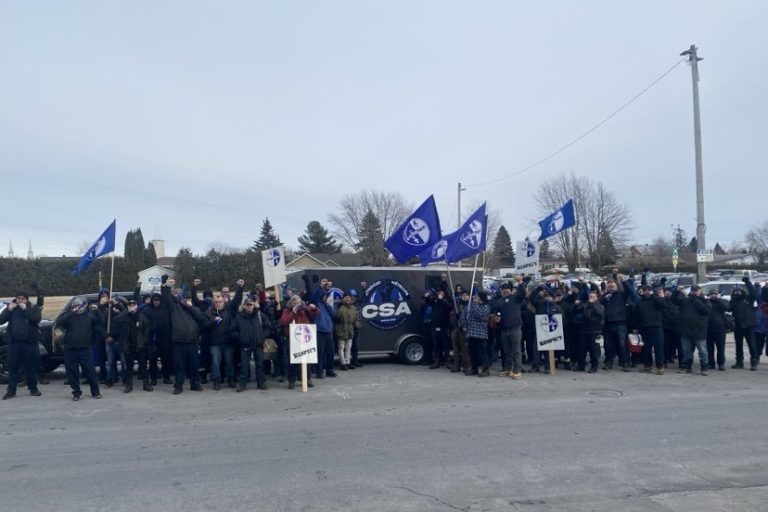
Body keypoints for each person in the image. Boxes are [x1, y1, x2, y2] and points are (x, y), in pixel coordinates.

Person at [162, 277, 208, 394]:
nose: (186, 300)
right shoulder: (175, 308)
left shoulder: (195, 309)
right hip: (178, 342)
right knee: (179, 366)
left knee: (194, 365)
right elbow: (167, 299)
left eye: (188, 298)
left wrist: (191, 307)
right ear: (180, 299)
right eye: (184, 298)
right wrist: (167, 287)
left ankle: (195, 383)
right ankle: (178, 385)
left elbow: (201, 318)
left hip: (192, 341)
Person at [55, 296, 104, 400]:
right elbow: (59, 322)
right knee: (72, 372)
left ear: (84, 307)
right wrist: (72, 313)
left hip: (85, 348)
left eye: (80, 306)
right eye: (75, 306)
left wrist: (97, 311)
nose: (78, 308)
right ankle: (76, 393)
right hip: (70, 349)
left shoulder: (89, 317)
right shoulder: (68, 317)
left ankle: (95, 392)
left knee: (90, 371)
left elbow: (101, 322)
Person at [202, 279, 244, 390]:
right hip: (214, 343)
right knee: (215, 363)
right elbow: (204, 326)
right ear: (213, 303)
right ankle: (216, 381)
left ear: (224, 302)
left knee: (229, 362)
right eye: (216, 302)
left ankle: (231, 379)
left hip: (228, 342)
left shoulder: (228, 310)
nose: (218, 303)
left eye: (220, 301)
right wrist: (213, 321)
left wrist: (240, 288)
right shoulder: (208, 313)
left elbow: (236, 300)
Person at [1, 291, 43, 400]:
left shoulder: (33, 307)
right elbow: (1, 320)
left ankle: (33, 388)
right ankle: (11, 391)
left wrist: (25, 309)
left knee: (30, 367)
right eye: (18, 298)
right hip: (14, 343)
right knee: (12, 367)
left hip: (29, 343)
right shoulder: (12, 308)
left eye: (22, 298)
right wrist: (8, 309)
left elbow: (36, 319)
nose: (20, 300)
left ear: (26, 299)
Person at [110, 299, 154, 392]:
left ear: (137, 306)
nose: (132, 306)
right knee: (129, 367)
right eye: (130, 305)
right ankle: (129, 385)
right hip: (128, 346)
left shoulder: (142, 317)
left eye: (133, 305)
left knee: (143, 366)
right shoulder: (125, 317)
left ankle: (146, 384)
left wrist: (145, 342)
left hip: (140, 346)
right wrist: (127, 311)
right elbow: (116, 320)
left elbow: (147, 331)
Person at [230, 297, 273, 392]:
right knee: (244, 365)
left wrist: (262, 336)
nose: (249, 307)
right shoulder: (238, 317)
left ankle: (261, 383)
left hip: (258, 344)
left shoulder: (260, 315)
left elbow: (269, 327)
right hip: (245, 345)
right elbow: (232, 331)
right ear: (244, 306)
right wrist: (241, 337)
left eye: (251, 304)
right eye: (247, 305)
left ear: (254, 305)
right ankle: (242, 384)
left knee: (260, 364)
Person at [279, 295, 318, 389]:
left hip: (305, 337)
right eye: (294, 303)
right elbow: (284, 322)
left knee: (306, 360)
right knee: (293, 361)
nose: (296, 305)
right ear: (291, 303)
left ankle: (307, 379)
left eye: (298, 303)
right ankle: (292, 381)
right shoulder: (287, 311)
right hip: (292, 338)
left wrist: (314, 308)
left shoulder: (304, 309)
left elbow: (315, 314)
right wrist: (293, 313)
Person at [599, 272, 635, 372]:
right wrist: (604, 297)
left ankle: (625, 362)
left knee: (622, 344)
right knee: (608, 345)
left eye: (612, 286)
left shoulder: (621, 295)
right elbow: (598, 303)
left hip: (620, 322)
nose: (611, 288)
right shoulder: (605, 296)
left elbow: (629, 290)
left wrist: (623, 280)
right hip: (608, 323)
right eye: (609, 286)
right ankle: (608, 362)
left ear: (616, 286)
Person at [672, 285, 711, 375]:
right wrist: (677, 291)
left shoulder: (705, 301)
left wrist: (695, 299)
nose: (694, 292)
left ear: (700, 291)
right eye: (693, 290)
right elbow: (673, 300)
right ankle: (687, 367)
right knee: (686, 351)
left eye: (696, 291)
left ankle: (704, 368)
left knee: (702, 351)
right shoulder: (686, 300)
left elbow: (705, 310)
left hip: (699, 331)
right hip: (686, 330)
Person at [495, 279, 527, 379]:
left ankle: (517, 370)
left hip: (515, 328)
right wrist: (497, 318)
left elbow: (522, 293)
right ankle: (508, 369)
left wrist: (521, 283)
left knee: (516, 351)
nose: (505, 290)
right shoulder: (499, 301)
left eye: (507, 288)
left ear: (511, 289)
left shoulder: (516, 297)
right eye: (503, 289)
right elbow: (497, 313)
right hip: (504, 329)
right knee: (507, 351)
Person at [632, 284, 667, 375]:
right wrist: (636, 327)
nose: (646, 291)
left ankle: (660, 367)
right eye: (645, 290)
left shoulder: (656, 299)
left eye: (648, 290)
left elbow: (663, 305)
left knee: (658, 348)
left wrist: (654, 296)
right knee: (646, 349)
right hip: (645, 328)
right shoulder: (640, 302)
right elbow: (637, 316)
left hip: (657, 327)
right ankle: (647, 366)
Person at [142, 291, 172, 385]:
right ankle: (153, 379)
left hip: (164, 338)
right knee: (152, 360)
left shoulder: (165, 309)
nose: (156, 302)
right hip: (152, 339)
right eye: (154, 300)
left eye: (158, 300)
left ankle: (166, 378)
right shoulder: (146, 310)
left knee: (165, 359)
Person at [731, 277, 759, 370]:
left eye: (739, 291)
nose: (737, 293)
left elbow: (754, 293)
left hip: (749, 326)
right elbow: (728, 308)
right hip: (738, 327)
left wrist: (748, 282)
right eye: (735, 292)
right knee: (738, 345)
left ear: (742, 292)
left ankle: (754, 362)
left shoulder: (748, 299)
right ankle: (739, 362)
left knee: (752, 345)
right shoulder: (733, 301)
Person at [576, 291, 605, 373]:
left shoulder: (600, 306)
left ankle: (594, 366)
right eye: (590, 297)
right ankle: (581, 366)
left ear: (597, 298)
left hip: (595, 331)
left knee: (594, 350)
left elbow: (600, 314)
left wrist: (592, 304)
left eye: (593, 297)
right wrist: (578, 304)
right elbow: (578, 310)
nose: (591, 298)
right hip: (584, 330)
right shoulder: (585, 305)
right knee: (582, 349)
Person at [465, 290, 492, 377]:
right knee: (472, 352)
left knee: (483, 353)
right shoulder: (472, 305)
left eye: (477, 296)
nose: (476, 298)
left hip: (481, 334)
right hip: (471, 332)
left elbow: (480, 315)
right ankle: (474, 368)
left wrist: (475, 304)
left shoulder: (486, 307)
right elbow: (466, 314)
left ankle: (486, 369)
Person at [425, 288, 453, 369]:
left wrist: (442, 300)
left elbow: (449, 307)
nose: (440, 294)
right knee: (436, 345)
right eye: (438, 292)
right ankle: (436, 361)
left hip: (444, 326)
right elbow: (428, 303)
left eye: (441, 292)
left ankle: (447, 361)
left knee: (446, 345)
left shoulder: (446, 300)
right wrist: (427, 297)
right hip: (434, 326)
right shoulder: (434, 300)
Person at [706, 289, 729, 371]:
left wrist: (719, 299)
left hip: (720, 327)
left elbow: (727, 307)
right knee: (709, 347)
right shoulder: (707, 302)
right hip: (709, 327)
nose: (713, 295)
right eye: (711, 294)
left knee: (720, 347)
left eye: (715, 294)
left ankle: (721, 363)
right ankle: (711, 363)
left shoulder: (722, 301)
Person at [334, 291, 358, 371]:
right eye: (346, 297)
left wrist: (356, 326)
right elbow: (336, 318)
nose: (348, 299)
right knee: (341, 347)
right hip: (341, 330)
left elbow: (355, 318)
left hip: (350, 330)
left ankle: (348, 362)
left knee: (348, 348)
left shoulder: (353, 308)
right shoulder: (339, 307)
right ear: (343, 298)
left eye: (349, 297)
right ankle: (343, 363)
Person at [450, 291, 471, 374]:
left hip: (465, 329)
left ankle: (466, 365)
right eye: (463, 295)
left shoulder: (470, 305)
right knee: (455, 348)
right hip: (455, 328)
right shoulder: (457, 304)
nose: (465, 296)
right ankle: (456, 365)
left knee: (465, 348)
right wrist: (455, 315)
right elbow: (450, 296)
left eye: (466, 295)